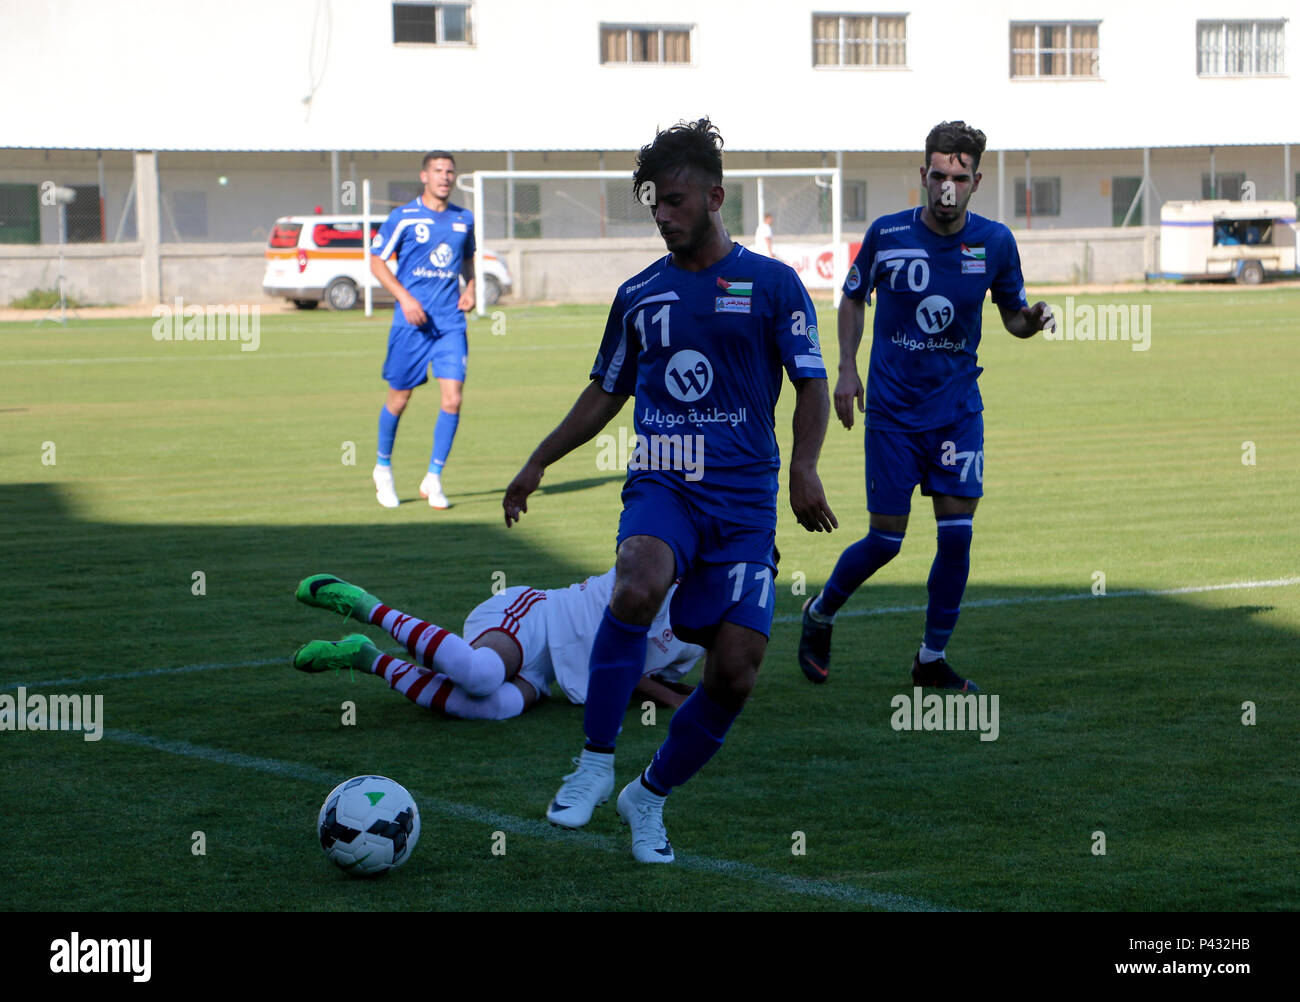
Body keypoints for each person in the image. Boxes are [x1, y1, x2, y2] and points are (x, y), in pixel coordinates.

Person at [502, 118, 837, 863]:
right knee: (638, 581)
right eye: (653, 203)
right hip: (665, 480)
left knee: (737, 670)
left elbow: (811, 383)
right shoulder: (639, 295)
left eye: (676, 200)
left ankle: (646, 796)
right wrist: (538, 460)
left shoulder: (772, 286)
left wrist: (804, 466)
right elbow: (606, 392)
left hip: (745, 502)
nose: (663, 214)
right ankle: (593, 765)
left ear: (715, 196)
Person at [797, 120, 1054, 690]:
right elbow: (853, 297)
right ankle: (820, 612)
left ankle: (930, 659)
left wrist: (1031, 320)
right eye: (938, 175)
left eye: (958, 178)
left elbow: (1012, 316)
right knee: (886, 540)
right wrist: (846, 368)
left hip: (957, 414)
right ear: (923, 175)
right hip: (892, 414)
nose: (946, 186)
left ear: (976, 181)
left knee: (957, 535)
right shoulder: (888, 234)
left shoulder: (996, 242)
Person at [291, 571, 703, 720]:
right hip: (537, 616)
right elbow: (626, 664)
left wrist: (693, 694)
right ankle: (366, 607)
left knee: (492, 708)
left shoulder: (699, 637)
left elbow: (641, 675)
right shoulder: (664, 568)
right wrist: (675, 701)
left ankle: (367, 657)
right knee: (482, 675)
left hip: (552, 674)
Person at [367, 151, 475, 510]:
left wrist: (471, 287)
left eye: (450, 172)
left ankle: (434, 478)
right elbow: (376, 260)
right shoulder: (404, 217)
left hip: (449, 324)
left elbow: (468, 259)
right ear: (424, 176)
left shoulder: (464, 219)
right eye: (438, 171)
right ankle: (383, 467)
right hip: (410, 324)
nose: (445, 177)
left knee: (453, 398)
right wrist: (405, 299)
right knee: (399, 399)